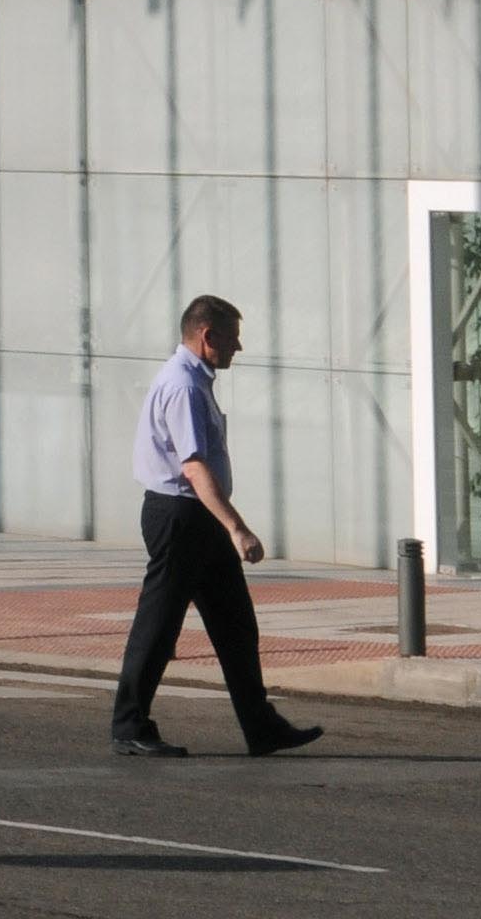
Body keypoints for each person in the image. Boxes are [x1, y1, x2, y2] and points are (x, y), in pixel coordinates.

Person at [111, 294, 320, 758]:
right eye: (232, 337)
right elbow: (194, 468)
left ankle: (260, 726)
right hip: (181, 517)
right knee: (159, 625)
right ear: (208, 337)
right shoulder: (184, 386)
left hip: (193, 517)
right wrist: (237, 527)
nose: (238, 348)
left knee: (236, 624)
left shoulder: (191, 379)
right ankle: (129, 724)